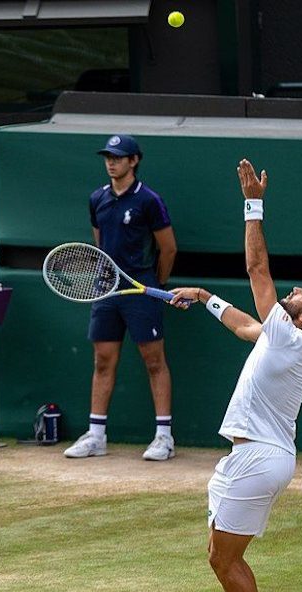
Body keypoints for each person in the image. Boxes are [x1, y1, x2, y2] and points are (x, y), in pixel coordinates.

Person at [170, 159, 302, 592]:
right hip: (270, 457)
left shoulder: (290, 335)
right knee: (218, 555)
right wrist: (206, 297)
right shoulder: (292, 340)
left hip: (259, 458)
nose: (293, 292)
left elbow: (256, 267)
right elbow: (248, 327)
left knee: (223, 561)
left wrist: (253, 205)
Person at [63, 134, 180, 461]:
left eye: (118, 157)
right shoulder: (97, 198)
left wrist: (155, 283)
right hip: (106, 289)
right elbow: (99, 241)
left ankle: (164, 438)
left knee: (154, 361)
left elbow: (168, 248)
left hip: (141, 288)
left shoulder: (149, 200)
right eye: (107, 157)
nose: (111, 162)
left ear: (134, 161)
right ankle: (96, 436)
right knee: (102, 361)